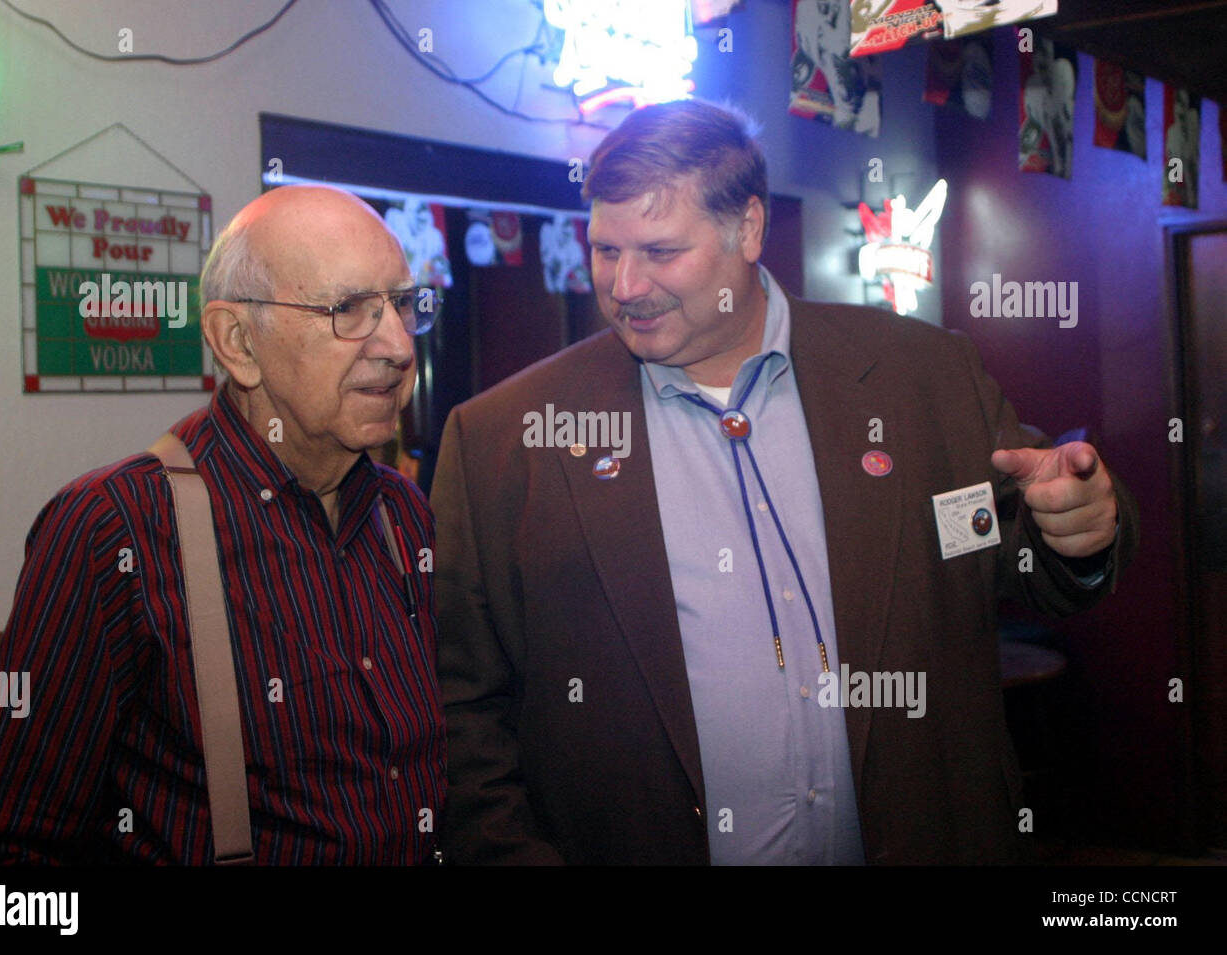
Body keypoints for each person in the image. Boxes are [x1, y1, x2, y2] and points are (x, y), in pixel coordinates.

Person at [432, 100, 1137, 865]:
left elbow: (1033, 541)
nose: (624, 285)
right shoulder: (504, 438)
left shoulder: (923, 377)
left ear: (749, 229)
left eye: (661, 251)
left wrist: (1080, 530)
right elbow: (464, 709)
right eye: (605, 249)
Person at [0, 186, 446, 864]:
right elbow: (5, 862)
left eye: (404, 306)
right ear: (238, 342)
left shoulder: (403, 517)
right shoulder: (114, 529)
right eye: (349, 309)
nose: (397, 346)